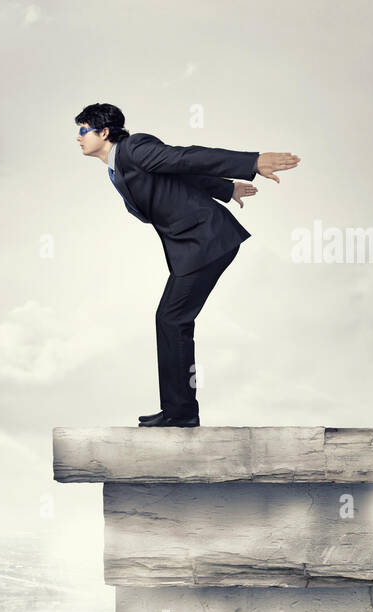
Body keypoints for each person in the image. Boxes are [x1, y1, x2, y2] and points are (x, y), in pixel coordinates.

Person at [75, 103, 299, 427]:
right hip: (194, 245)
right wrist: (225, 188)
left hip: (206, 239)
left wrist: (250, 163)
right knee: (171, 320)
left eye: (83, 130)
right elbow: (179, 173)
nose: (78, 138)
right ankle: (177, 411)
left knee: (171, 319)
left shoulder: (133, 148)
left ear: (104, 132)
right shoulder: (117, 168)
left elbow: (185, 158)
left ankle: (181, 414)